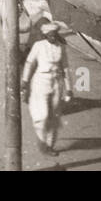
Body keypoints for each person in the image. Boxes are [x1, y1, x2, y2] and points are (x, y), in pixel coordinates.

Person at [20, 20, 73, 155]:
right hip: (41, 82)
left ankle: (50, 145)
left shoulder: (61, 47)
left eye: (54, 34)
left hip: (56, 82)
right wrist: (25, 80)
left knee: (54, 117)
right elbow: (29, 63)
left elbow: (65, 68)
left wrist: (69, 88)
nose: (53, 37)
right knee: (42, 115)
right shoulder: (38, 46)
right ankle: (41, 141)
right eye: (50, 34)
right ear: (45, 35)